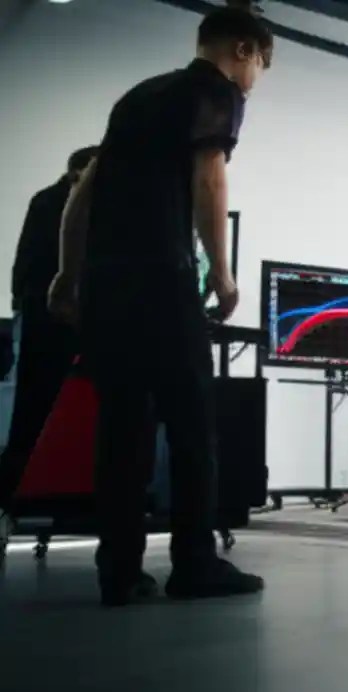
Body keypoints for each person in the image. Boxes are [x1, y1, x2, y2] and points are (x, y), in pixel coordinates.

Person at [48, 6, 272, 606]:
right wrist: (222, 274)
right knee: (195, 426)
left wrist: (69, 272)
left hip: (107, 286)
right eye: (261, 67)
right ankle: (195, 565)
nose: (256, 80)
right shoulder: (217, 90)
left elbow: (83, 196)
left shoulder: (137, 97)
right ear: (245, 50)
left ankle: (118, 572)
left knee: (122, 431)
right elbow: (209, 178)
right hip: (162, 280)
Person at [0, 146, 97, 543]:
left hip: (42, 319)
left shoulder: (47, 200)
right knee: (36, 416)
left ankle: (14, 506)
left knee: (32, 416)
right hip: (52, 322)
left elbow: (22, 275)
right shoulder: (59, 203)